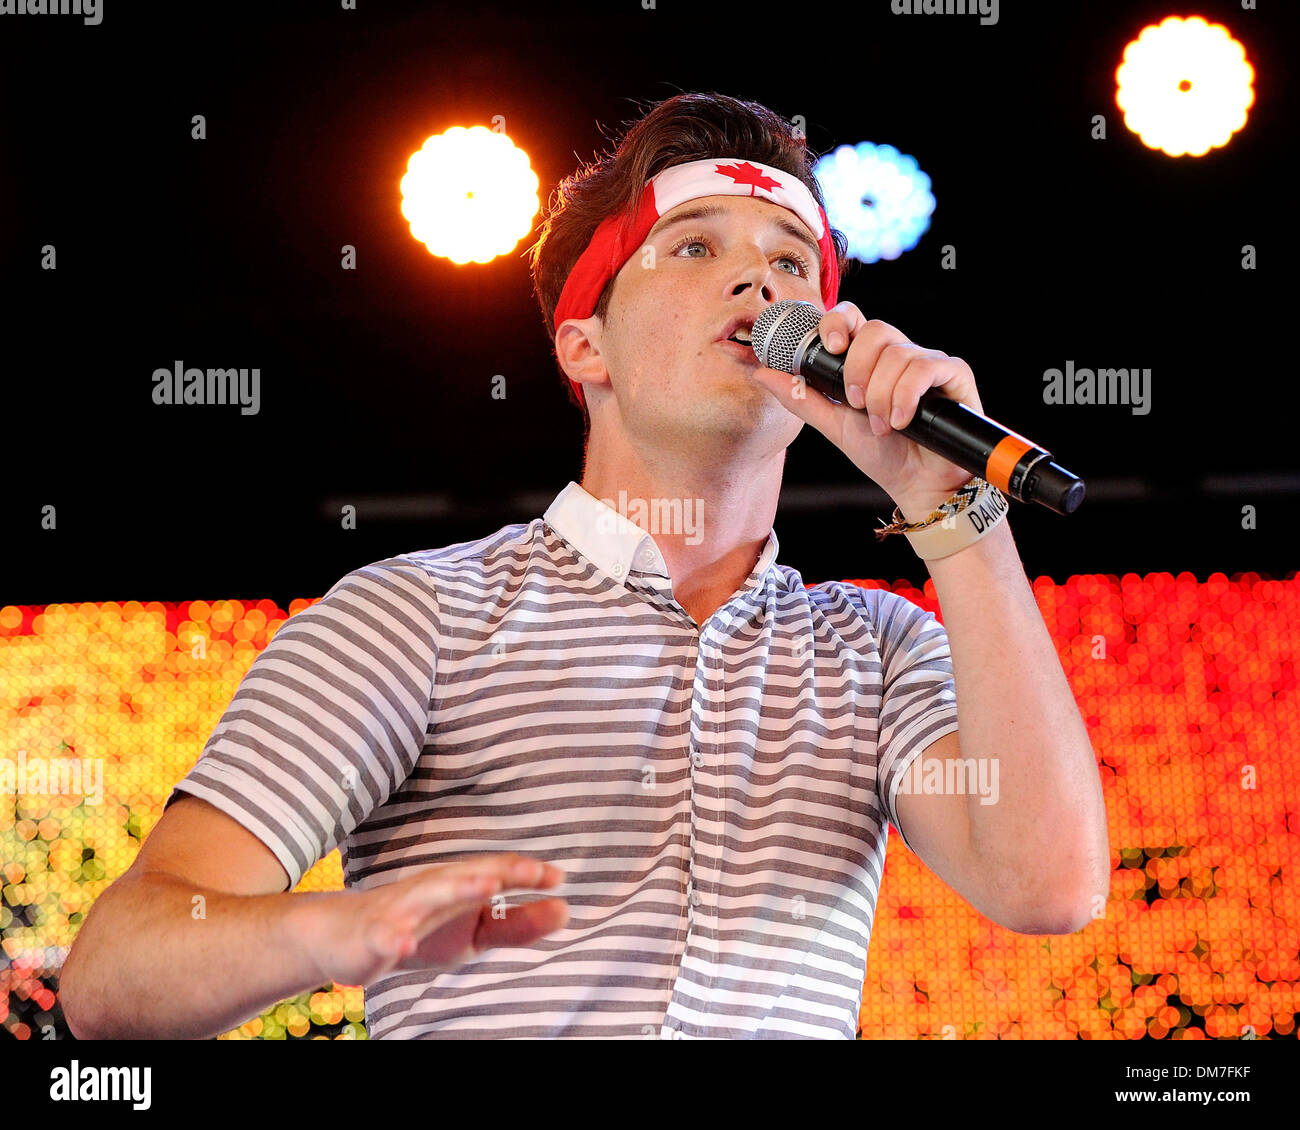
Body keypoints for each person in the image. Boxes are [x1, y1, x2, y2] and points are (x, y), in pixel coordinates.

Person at [59, 91, 1109, 1040]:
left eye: (792, 261)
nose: (760, 277)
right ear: (583, 346)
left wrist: (947, 503)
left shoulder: (877, 646)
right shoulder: (414, 615)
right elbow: (113, 977)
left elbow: (1049, 884)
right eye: (694, 248)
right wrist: (344, 929)